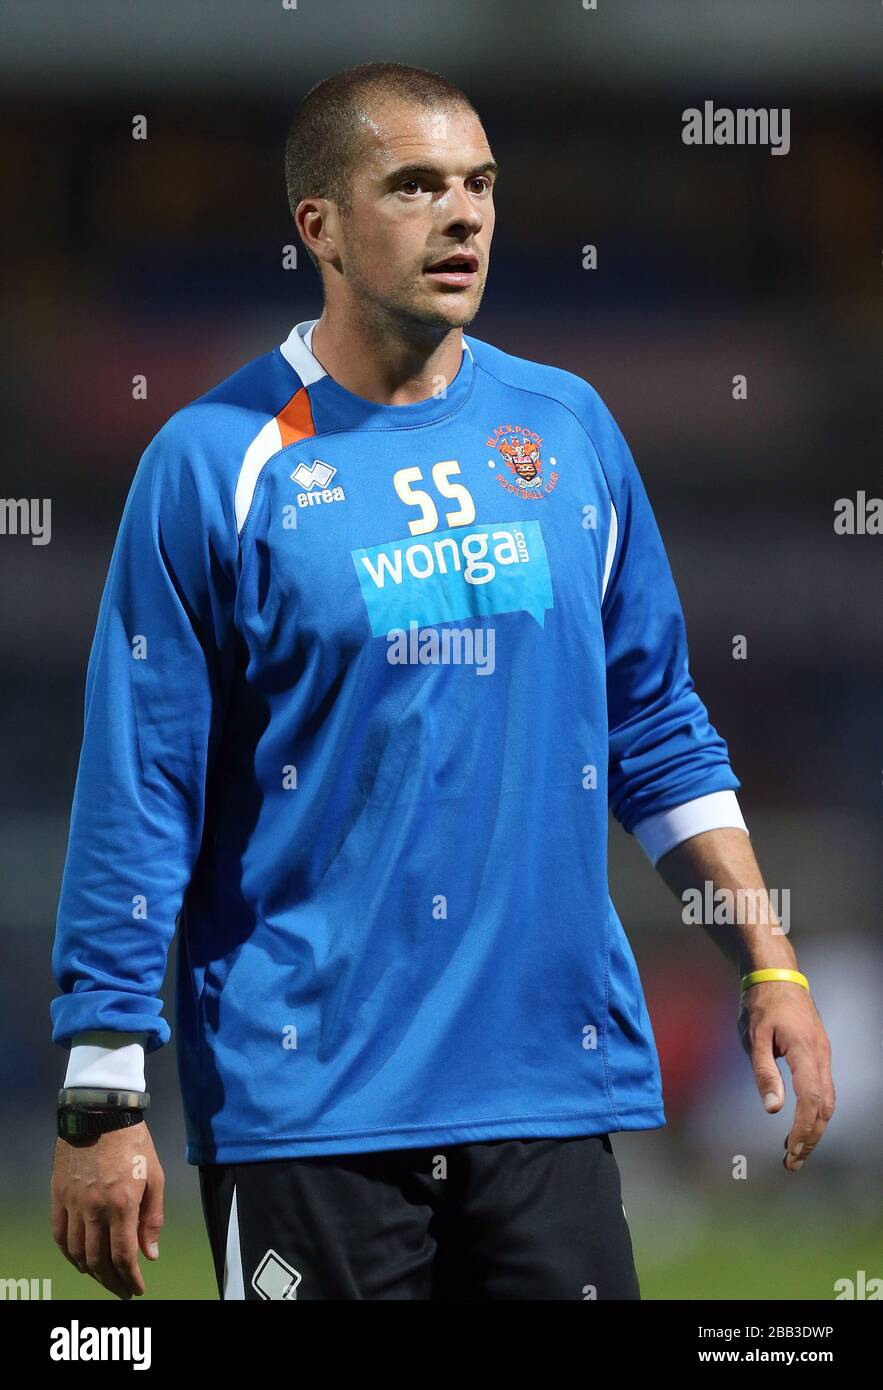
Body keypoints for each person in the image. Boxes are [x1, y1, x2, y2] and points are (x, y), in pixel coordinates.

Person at [50, 61, 835, 1301]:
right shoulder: (214, 464)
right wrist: (101, 1093)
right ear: (318, 224)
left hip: (543, 1091)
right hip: (310, 1103)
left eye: (478, 184)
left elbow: (657, 725)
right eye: (414, 185)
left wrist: (768, 962)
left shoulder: (567, 427)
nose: (462, 214)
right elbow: (141, 789)